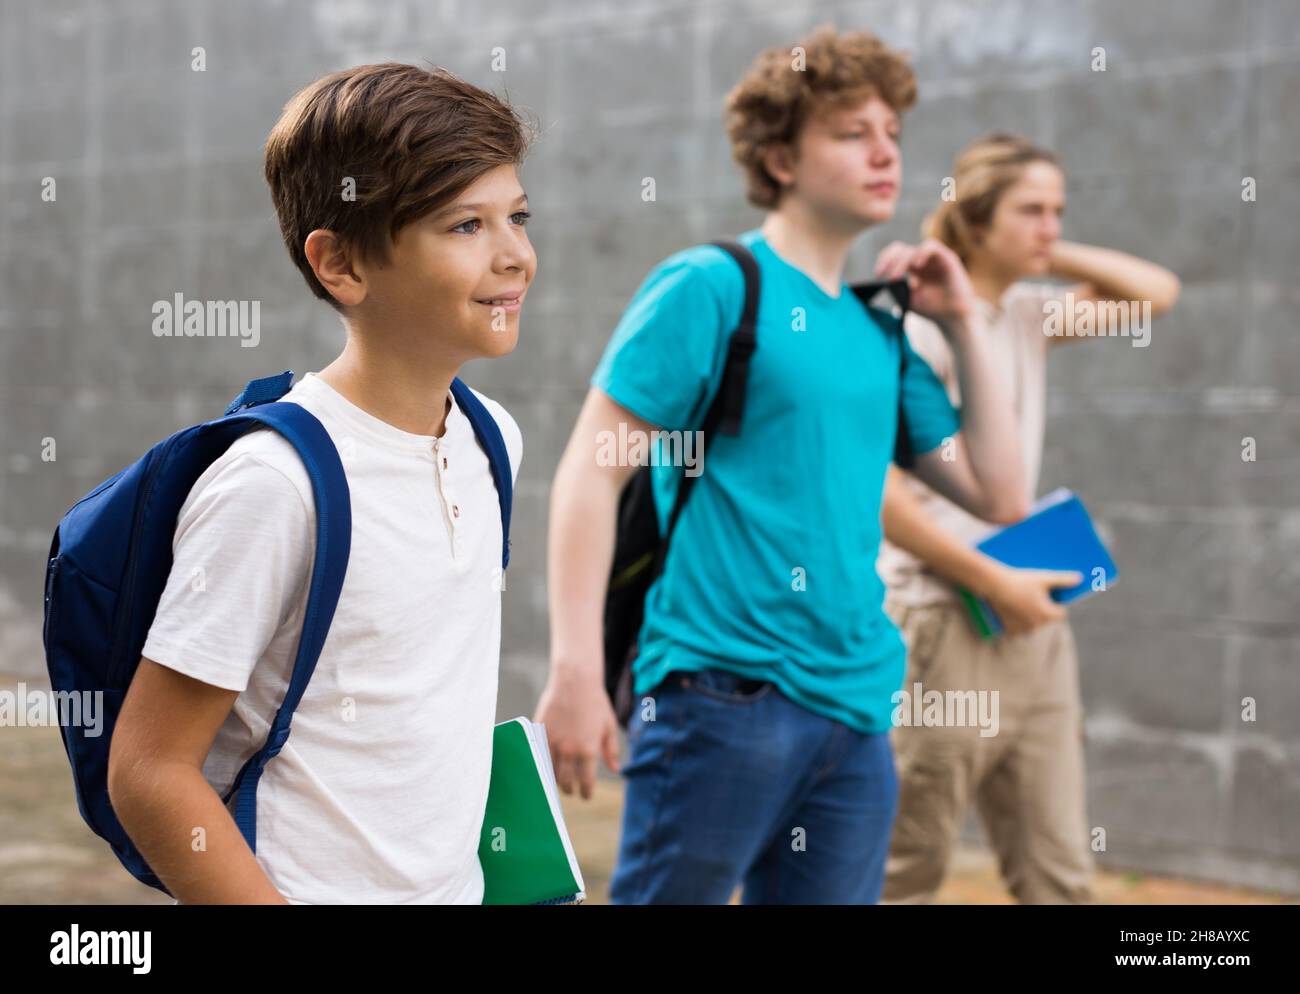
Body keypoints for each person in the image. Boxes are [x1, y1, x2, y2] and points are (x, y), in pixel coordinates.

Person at [533, 26, 1028, 904]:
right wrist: (574, 669)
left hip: (856, 711)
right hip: (718, 695)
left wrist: (961, 324)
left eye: (892, 134)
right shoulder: (713, 285)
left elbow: (998, 490)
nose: (884, 152)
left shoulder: (879, 327)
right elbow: (589, 471)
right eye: (850, 133)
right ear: (781, 159)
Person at [106, 63, 533, 904]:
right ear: (340, 264)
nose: (515, 254)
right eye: (465, 226)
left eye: (517, 215)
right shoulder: (274, 485)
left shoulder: (495, 439)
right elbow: (149, 769)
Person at [878, 133, 1181, 904]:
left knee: (1059, 876)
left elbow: (1155, 293)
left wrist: (1048, 252)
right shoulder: (921, 327)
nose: (1051, 225)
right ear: (976, 221)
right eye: (1031, 211)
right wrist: (992, 580)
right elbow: (878, 497)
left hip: (1033, 622)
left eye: (1060, 211)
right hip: (941, 623)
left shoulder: (1023, 313)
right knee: (902, 871)